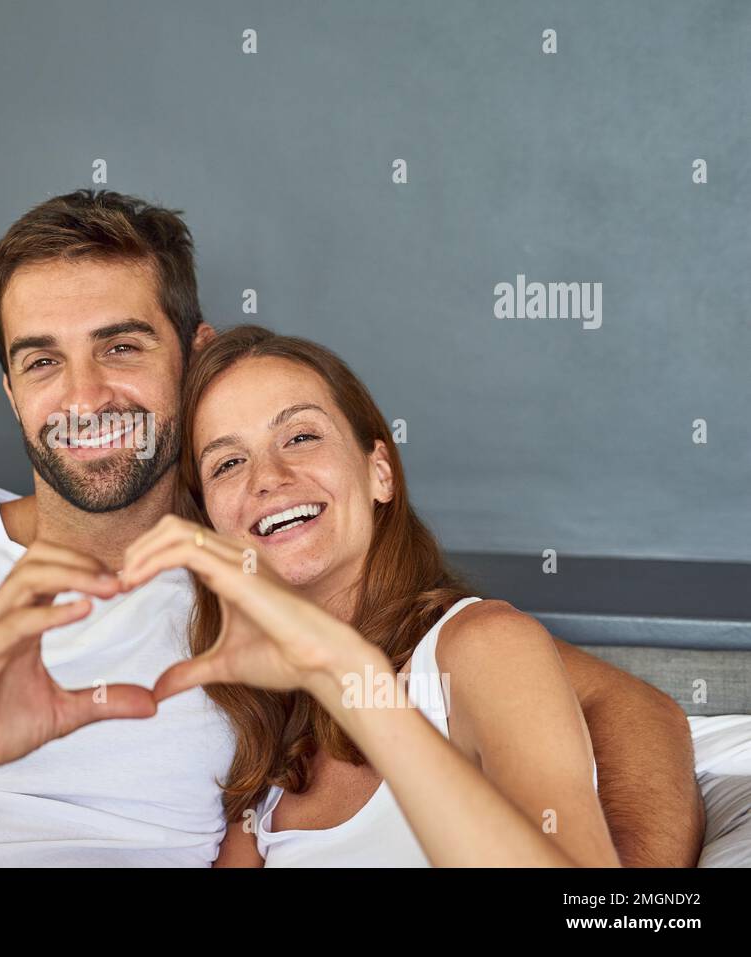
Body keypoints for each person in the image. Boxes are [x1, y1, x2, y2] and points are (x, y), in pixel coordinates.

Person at [0, 189, 703, 867]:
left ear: (191, 353)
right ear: (9, 390)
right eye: (42, 362)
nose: (84, 396)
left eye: (121, 346)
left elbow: (631, 713)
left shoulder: (267, 568)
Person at [121, 325, 616, 865]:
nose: (267, 478)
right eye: (228, 463)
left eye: (300, 437)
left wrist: (350, 675)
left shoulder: (485, 647)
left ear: (380, 472)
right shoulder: (269, 749)